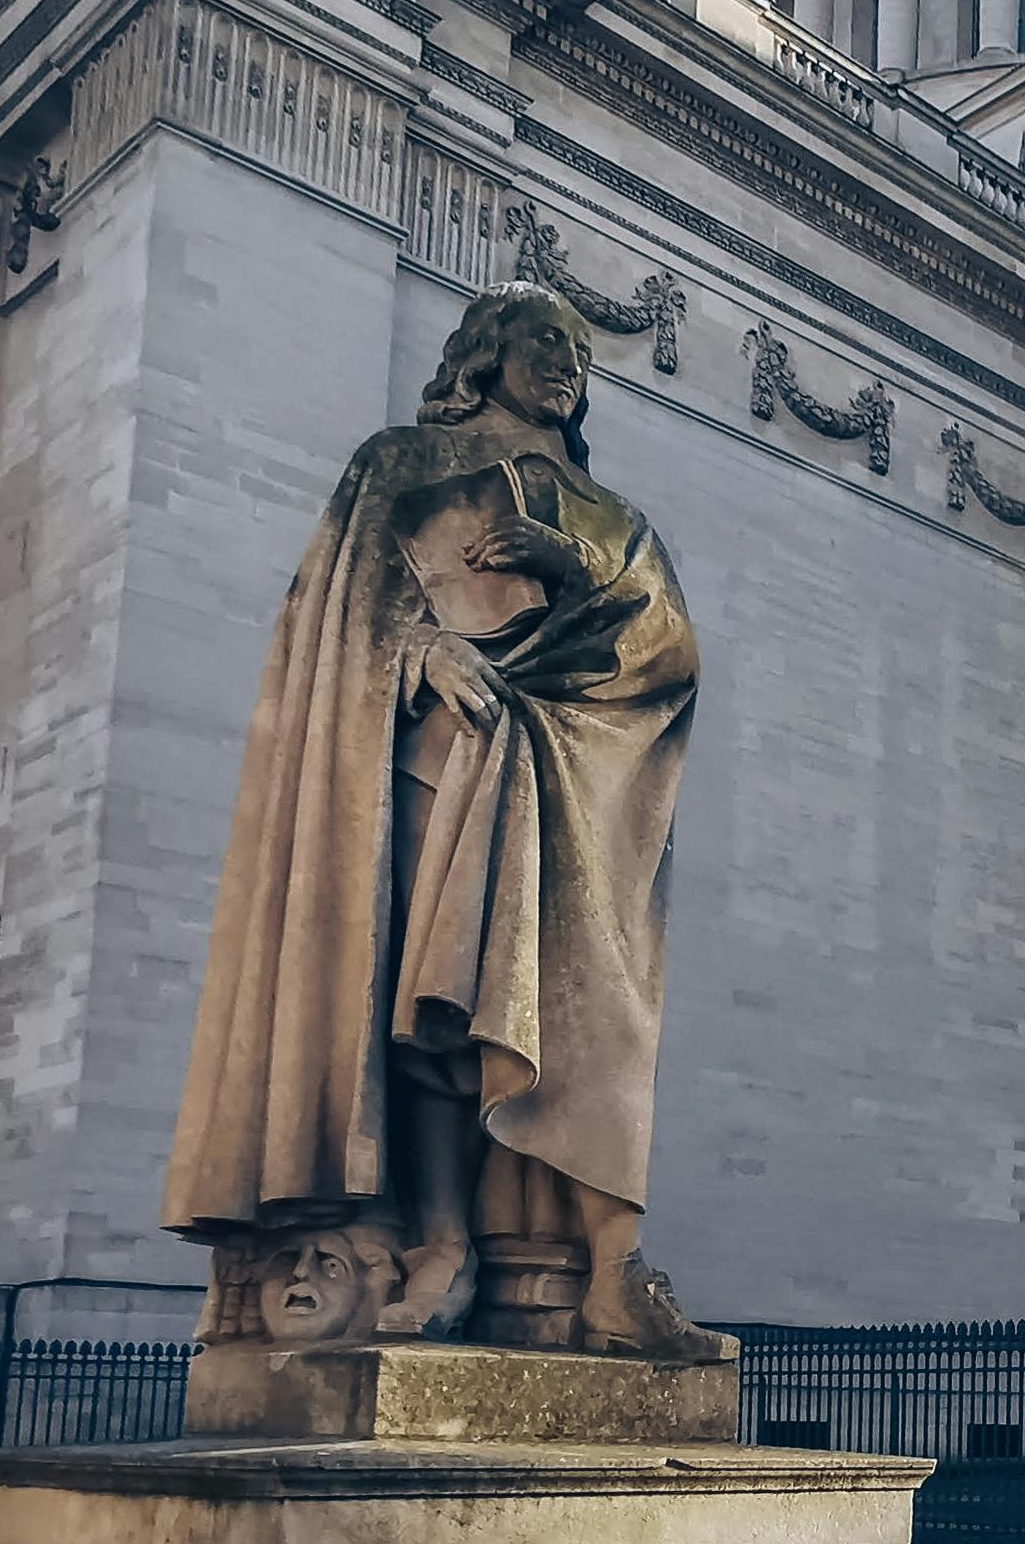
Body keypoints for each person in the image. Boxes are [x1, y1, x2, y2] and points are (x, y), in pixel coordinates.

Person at [165, 283, 726, 1358]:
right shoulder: (399, 466)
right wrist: (417, 653)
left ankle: (608, 1268)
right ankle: (438, 1236)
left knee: (587, 1015)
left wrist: (574, 572)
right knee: (431, 1002)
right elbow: (333, 621)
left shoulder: (617, 522)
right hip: (439, 747)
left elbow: (671, 652)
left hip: (581, 783)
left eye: (578, 346)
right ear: (484, 352)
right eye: (541, 339)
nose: (565, 360)